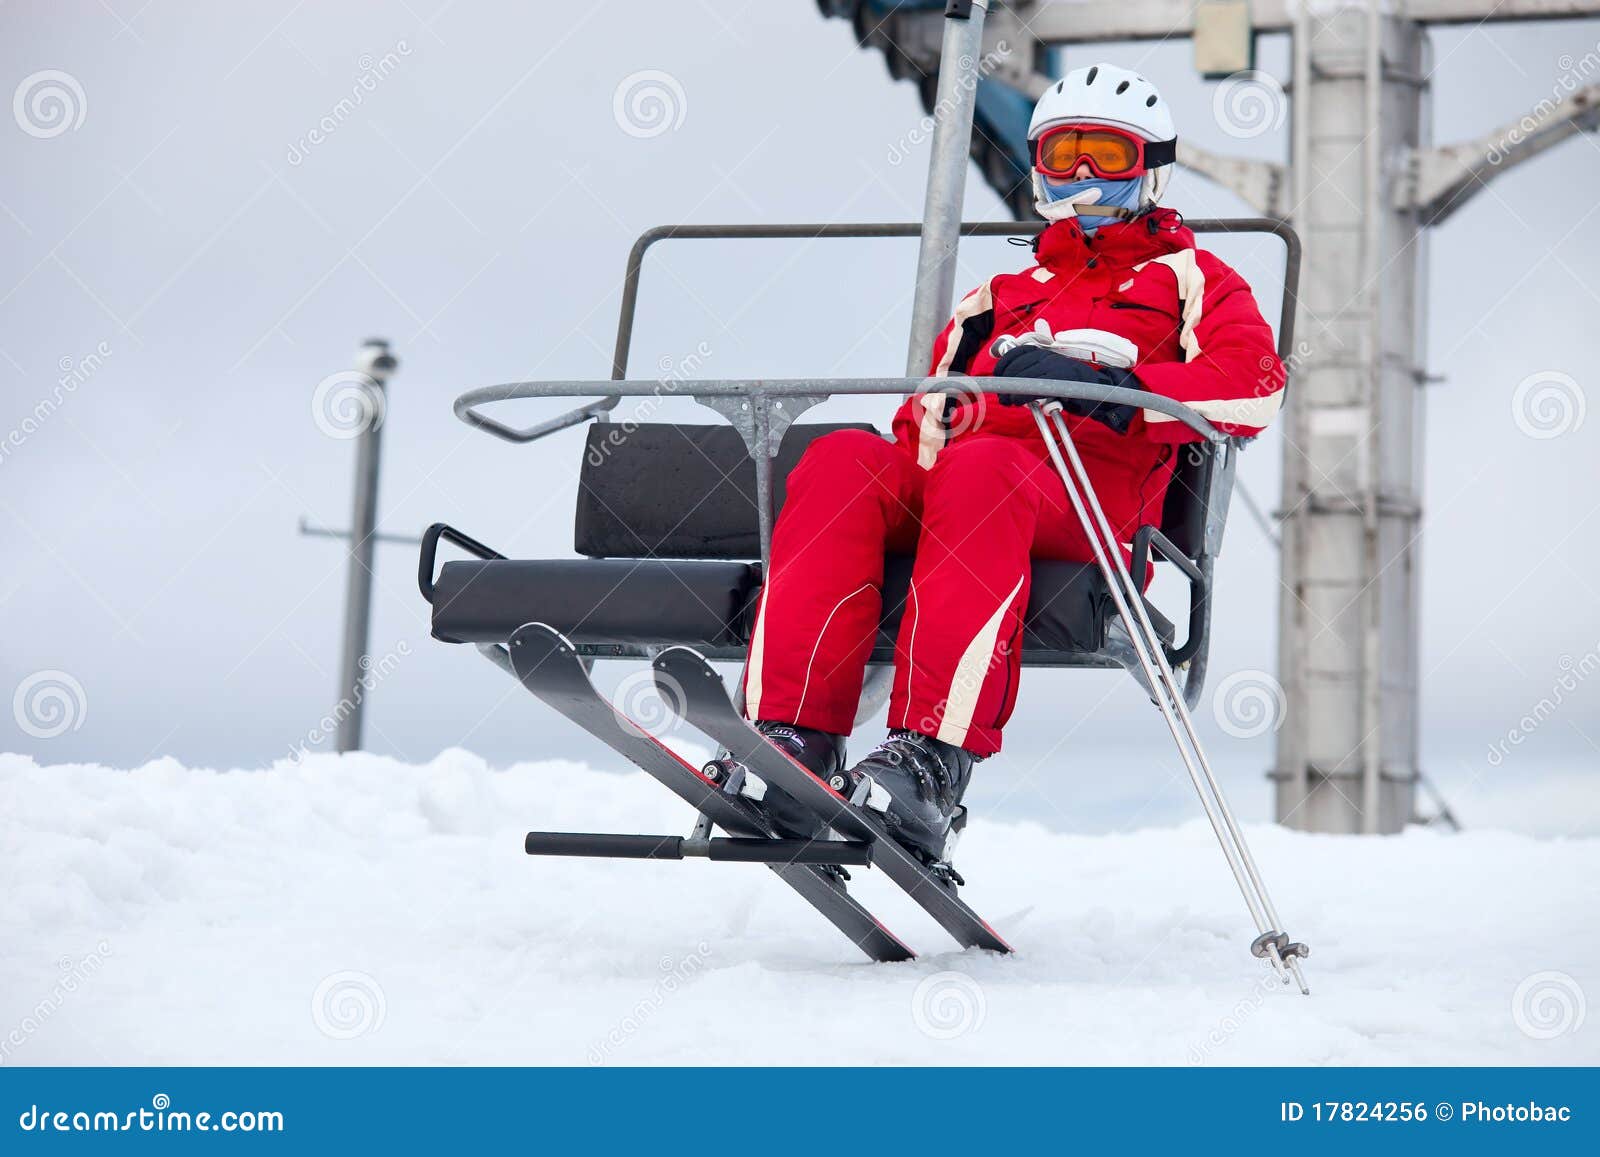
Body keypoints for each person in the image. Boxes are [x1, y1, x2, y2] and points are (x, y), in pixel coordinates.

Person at [741, 63, 1285, 868]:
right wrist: (932, 452)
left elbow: (1253, 390)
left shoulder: (1193, 280)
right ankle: (794, 738)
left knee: (982, 470)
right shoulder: (1003, 291)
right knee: (844, 457)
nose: (1085, 176)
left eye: (1107, 153)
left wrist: (1120, 388)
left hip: (1089, 504)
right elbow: (928, 415)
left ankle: (931, 760)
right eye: (1065, 155)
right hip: (979, 485)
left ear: (1151, 167)